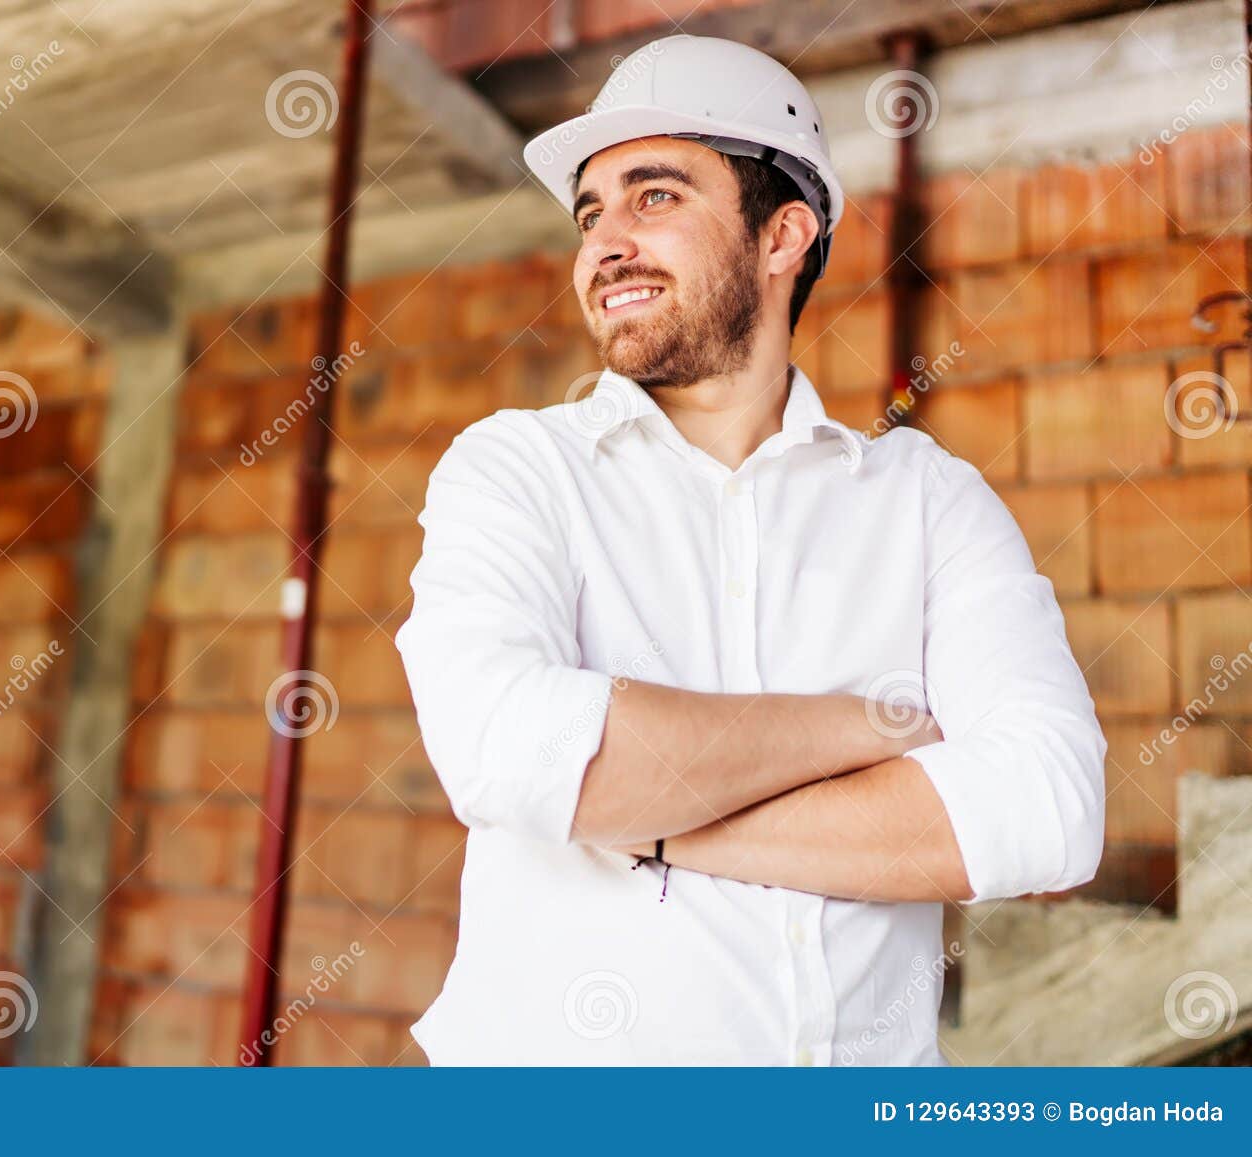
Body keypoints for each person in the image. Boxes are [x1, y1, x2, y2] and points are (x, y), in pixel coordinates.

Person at [393, 34, 1105, 1065]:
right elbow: (506, 750)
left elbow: (1047, 809)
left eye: (655, 197)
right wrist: (868, 723)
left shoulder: (925, 500)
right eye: (590, 213)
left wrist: (643, 820)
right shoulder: (512, 469)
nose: (605, 244)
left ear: (782, 237)